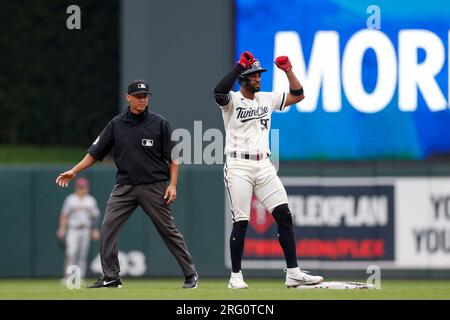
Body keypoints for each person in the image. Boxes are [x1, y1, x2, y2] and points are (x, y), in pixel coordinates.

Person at [55, 80, 198, 289]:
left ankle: (190, 274)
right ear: (128, 97)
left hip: (154, 186)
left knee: (168, 231)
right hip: (125, 187)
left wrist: (173, 185)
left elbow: (174, 158)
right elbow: (95, 153)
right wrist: (74, 171)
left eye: (145, 96)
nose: (142, 100)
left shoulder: (159, 123)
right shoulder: (117, 124)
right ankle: (111, 276)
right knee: (107, 227)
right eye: (138, 96)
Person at [213, 52, 324, 289]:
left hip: (264, 165)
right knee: (241, 221)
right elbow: (218, 92)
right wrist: (237, 67)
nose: (258, 78)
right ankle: (236, 277)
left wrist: (288, 70)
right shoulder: (232, 100)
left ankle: (293, 272)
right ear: (242, 79)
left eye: (259, 74)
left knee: (284, 214)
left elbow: (299, 95)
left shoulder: (266, 99)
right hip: (238, 165)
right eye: (253, 75)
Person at [56, 177, 100, 282]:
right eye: (80, 187)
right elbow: (64, 215)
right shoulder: (70, 199)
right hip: (73, 229)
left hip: (85, 229)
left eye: (83, 187)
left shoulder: (91, 200)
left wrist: (95, 229)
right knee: (71, 253)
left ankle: (80, 277)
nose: (82, 189)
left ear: (87, 188)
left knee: (82, 254)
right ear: (76, 188)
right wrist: (62, 229)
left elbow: (95, 216)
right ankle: (68, 277)